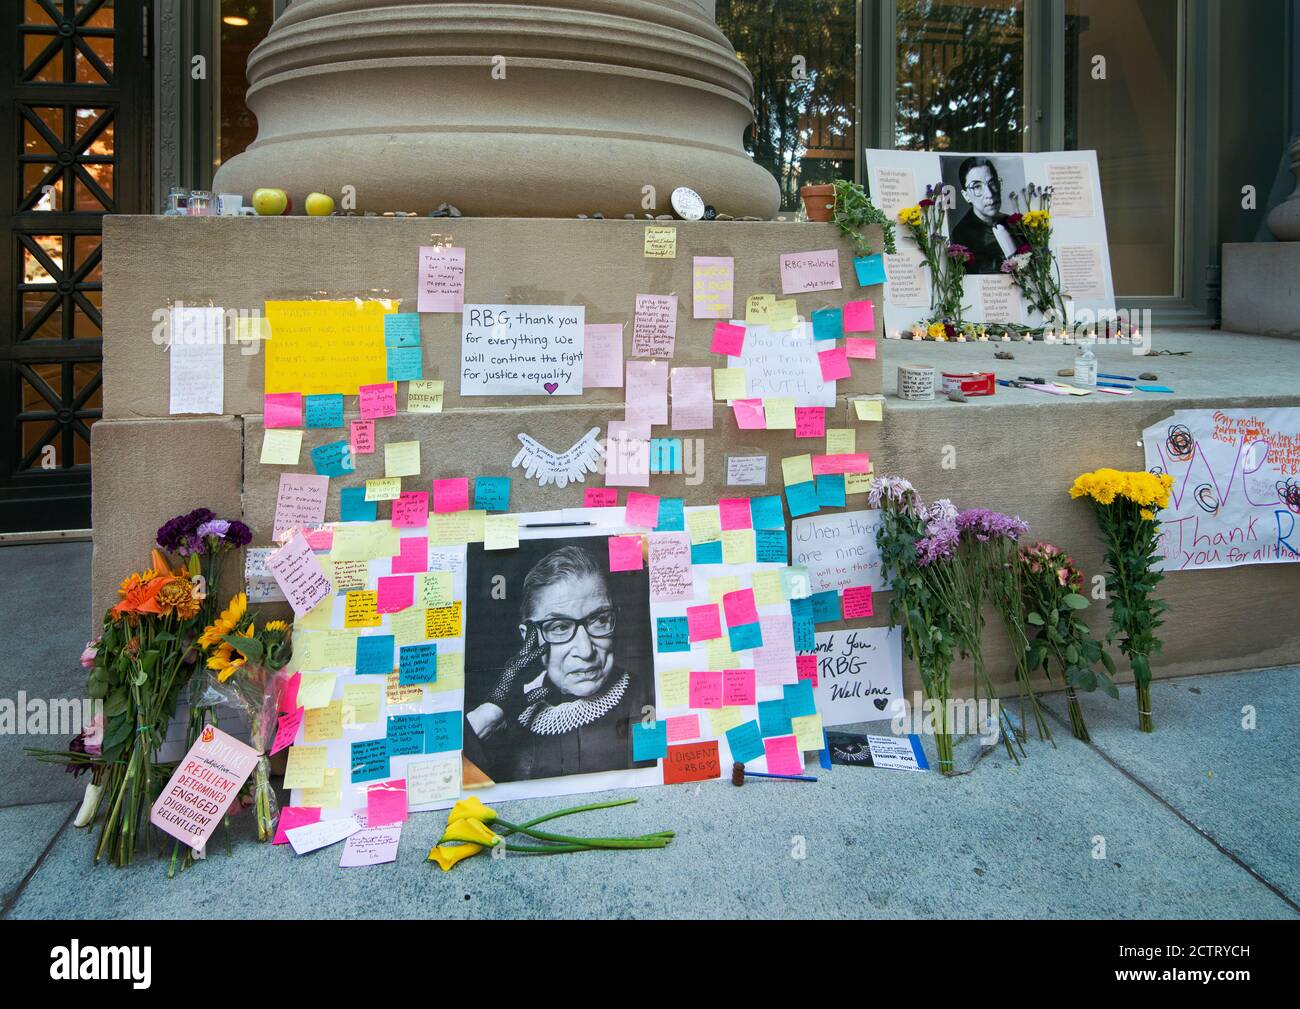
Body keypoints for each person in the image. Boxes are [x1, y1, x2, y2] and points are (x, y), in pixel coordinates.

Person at [463, 544, 655, 783]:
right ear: (529, 637)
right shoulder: (504, 719)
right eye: (560, 627)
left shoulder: (649, 700)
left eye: (600, 620)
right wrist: (489, 714)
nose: (585, 651)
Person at [948, 157, 1020, 274]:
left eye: (992, 183)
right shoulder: (960, 236)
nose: (989, 194)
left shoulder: (1014, 224)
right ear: (966, 195)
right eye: (977, 187)